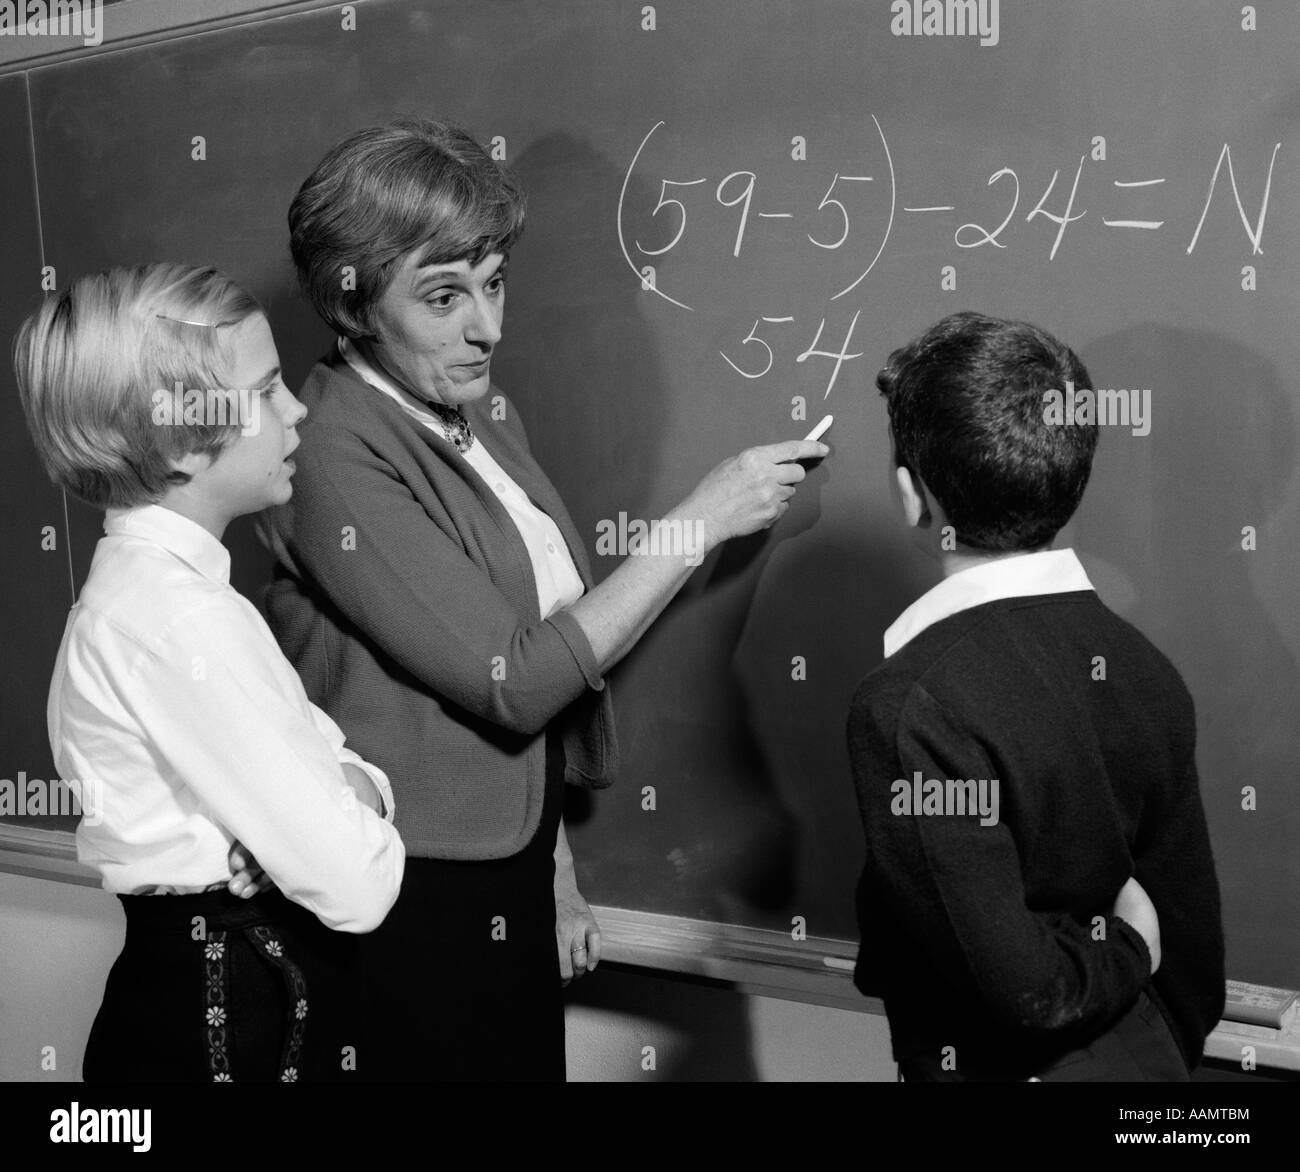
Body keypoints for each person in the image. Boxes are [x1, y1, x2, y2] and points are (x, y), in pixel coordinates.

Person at [263, 117, 827, 1080]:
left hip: (507, 868)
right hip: (408, 889)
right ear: (351, 306)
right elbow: (516, 679)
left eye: (494, 282)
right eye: (443, 297)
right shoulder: (329, 448)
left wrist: (554, 869)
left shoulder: (477, 409)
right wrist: (699, 521)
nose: (489, 326)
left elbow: (525, 654)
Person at [13, 263, 405, 1082]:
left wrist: (349, 790)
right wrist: (341, 800)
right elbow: (358, 883)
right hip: (229, 1033)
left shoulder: (161, 597)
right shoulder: (182, 622)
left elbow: (345, 774)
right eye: (265, 391)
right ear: (184, 439)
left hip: (203, 1005)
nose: (296, 407)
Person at [847, 311, 1224, 1081]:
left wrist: (1130, 948)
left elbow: (1032, 994)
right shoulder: (1146, 669)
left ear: (912, 498)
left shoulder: (912, 707)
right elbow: (1197, 957)